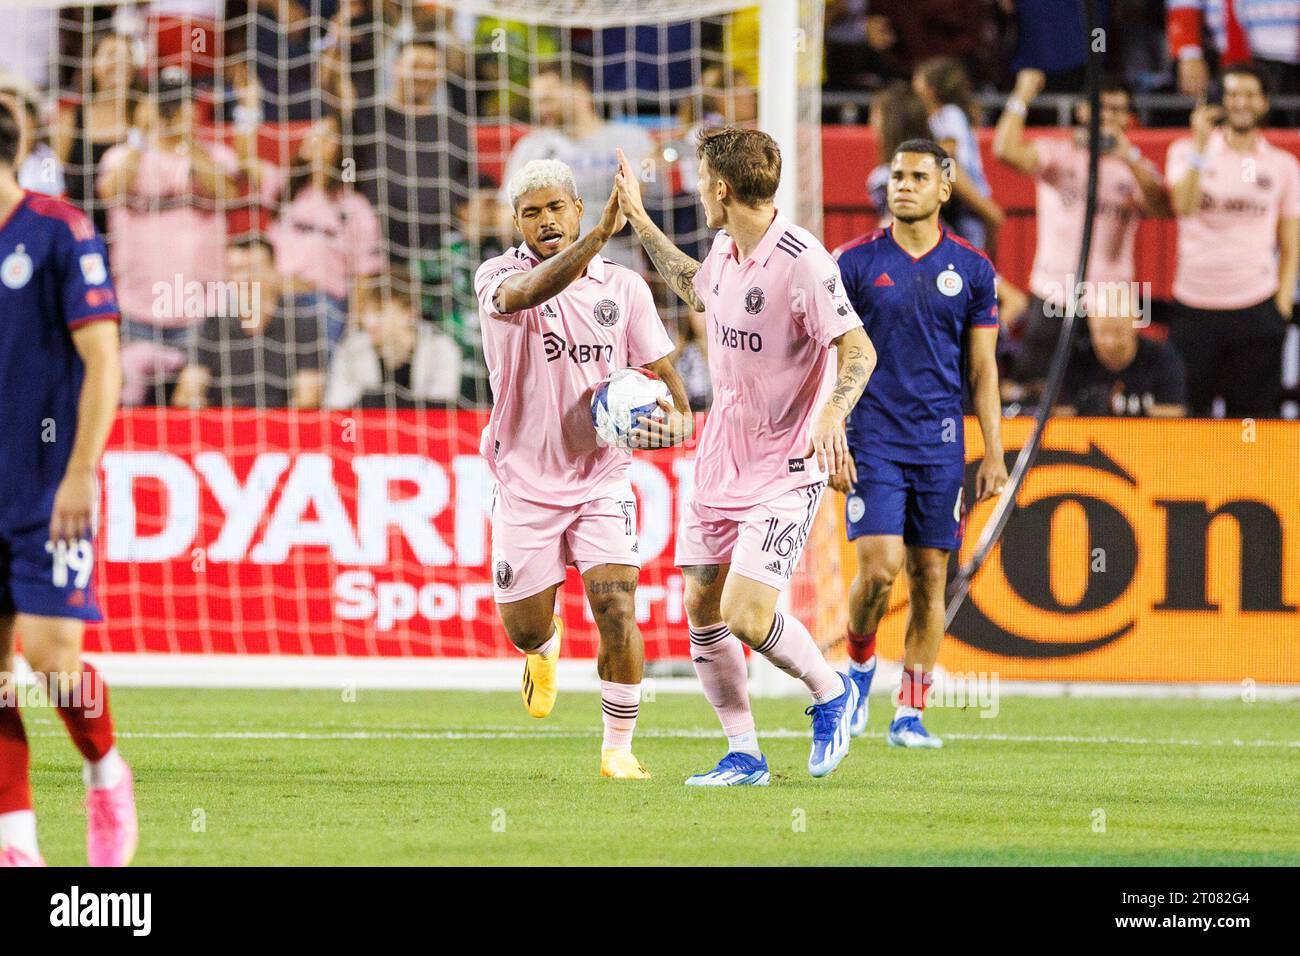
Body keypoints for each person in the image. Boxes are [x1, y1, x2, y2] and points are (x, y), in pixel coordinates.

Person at [613, 131, 876, 785]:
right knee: (702, 610)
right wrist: (639, 219)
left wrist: (830, 416)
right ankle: (745, 753)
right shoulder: (728, 250)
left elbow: (859, 351)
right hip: (716, 464)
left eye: (702, 180)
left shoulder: (803, 262)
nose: (699, 190)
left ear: (722, 189)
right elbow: (695, 289)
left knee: (745, 615)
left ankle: (831, 692)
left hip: (783, 470)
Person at [473, 159, 691, 780]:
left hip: (602, 479)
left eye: (555, 208)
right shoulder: (498, 278)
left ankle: (617, 749)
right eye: (531, 212)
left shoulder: (624, 289)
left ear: (574, 206)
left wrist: (679, 424)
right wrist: (597, 235)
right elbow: (529, 292)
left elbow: (669, 380)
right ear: (517, 223)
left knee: (618, 608)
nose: (545, 220)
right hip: (523, 484)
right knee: (522, 628)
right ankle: (542, 649)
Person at [833, 138, 1007, 749]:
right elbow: (829, 357)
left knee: (932, 578)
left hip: (939, 446)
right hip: (873, 438)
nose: (902, 185)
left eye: (916, 176)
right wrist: (832, 431)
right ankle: (856, 674)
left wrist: (993, 451)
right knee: (879, 572)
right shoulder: (851, 264)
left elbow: (983, 370)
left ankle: (909, 713)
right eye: (896, 176)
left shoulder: (974, 270)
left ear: (944, 188)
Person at [0, 104, 137, 868]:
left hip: (46, 488)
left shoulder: (59, 231)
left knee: (53, 662)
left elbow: (104, 360)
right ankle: (16, 846)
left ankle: (104, 771)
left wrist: (80, 469)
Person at [994, 69, 1171, 393]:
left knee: (1106, 395)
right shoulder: (1058, 154)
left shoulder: (1134, 166)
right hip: (1054, 294)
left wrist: (1128, 156)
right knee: (1035, 391)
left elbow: (1162, 208)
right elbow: (1005, 150)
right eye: (1102, 107)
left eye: (1119, 110)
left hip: (1110, 304)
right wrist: (1022, 95)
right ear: (1083, 111)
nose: (1110, 117)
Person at [95, 71, 240, 405]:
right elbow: (109, 190)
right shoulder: (120, 157)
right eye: (163, 103)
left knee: (196, 403)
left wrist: (189, 141)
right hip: (136, 310)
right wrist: (143, 138)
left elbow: (225, 193)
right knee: (123, 400)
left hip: (201, 312)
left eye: (181, 103)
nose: (170, 112)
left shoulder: (216, 156)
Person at [1167, 64, 1299, 417]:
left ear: (1264, 103)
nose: (1241, 102)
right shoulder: (1185, 151)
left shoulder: (1283, 165)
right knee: (1189, 420)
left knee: (1254, 424)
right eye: (1233, 94)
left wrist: (1282, 302)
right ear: (1220, 101)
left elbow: (1291, 241)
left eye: (1249, 94)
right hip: (1194, 306)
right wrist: (1199, 143)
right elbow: (1184, 204)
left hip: (1255, 307)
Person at [501, 67, 660, 270]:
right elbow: (505, 215)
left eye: (547, 100)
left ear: (579, 91)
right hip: (552, 273)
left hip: (619, 268)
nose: (540, 110)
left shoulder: (634, 140)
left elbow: (657, 206)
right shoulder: (531, 147)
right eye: (537, 103)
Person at [172, 236, 332, 409]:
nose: (244, 278)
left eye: (253, 269)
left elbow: (308, 400)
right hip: (225, 426)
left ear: (273, 271)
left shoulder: (301, 322)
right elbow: (186, 394)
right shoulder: (215, 324)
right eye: (235, 270)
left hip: (280, 428)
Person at [269, 111, 384, 311]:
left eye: (328, 133)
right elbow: (246, 164)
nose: (315, 135)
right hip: (273, 299)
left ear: (343, 149)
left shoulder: (354, 207)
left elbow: (363, 276)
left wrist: (352, 332)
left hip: (322, 305)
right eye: (315, 128)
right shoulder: (285, 188)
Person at [913, 57, 1004, 255]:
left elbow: (947, 157)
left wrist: (985, 209)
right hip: (968, 206)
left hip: (967, 208)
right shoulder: (950, 115)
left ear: (931, 89)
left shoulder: (947, 114)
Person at [325, 281, 462, 409]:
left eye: (379, 311)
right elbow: (337, 404)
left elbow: (442, 406)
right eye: (366, 312)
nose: (368, 321)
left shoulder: (442, 348)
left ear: (409, 313)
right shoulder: (352, 348)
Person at [1058, 298, 1188, 417]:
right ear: (1090, 323)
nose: (1111, 342)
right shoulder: (1074, 359)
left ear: (1136, 323)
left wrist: (1137, 413)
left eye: (1119, 332)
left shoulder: (1162, 357)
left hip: (1145, 438)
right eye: (1102, 332)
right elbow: (1061, 412)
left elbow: (1175, 410)